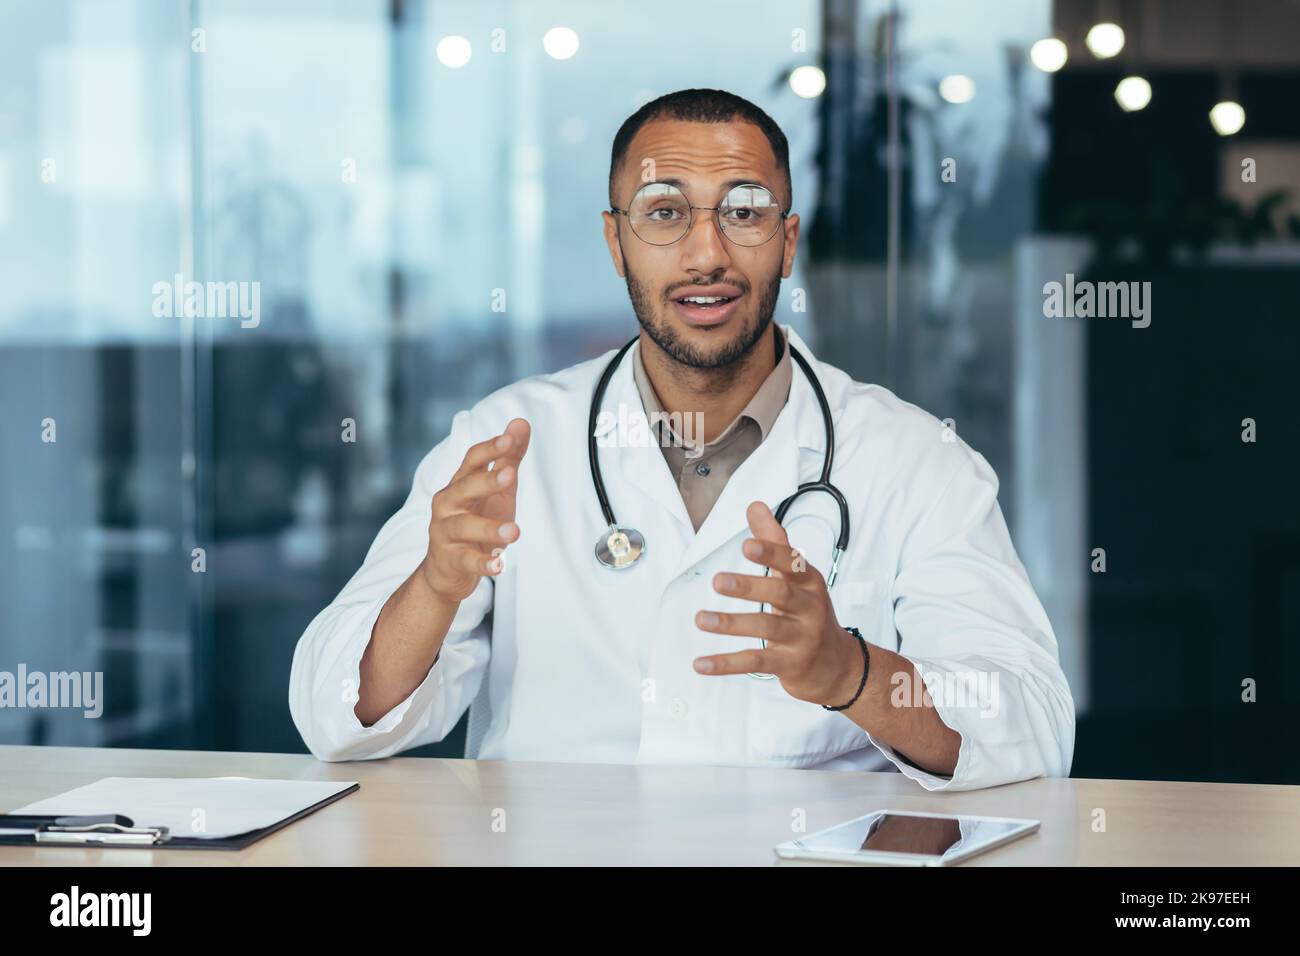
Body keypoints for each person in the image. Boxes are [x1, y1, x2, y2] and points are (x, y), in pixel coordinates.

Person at [289, 88, 1074, 791]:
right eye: (665, 212)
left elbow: (1031, 720)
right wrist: (434, 588)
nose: (708, 255)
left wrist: (852, 671)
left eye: (745, 211)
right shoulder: (505, 441)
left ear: (788, 239)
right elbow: (336, 715)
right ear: (615, 240)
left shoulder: (913, 460)